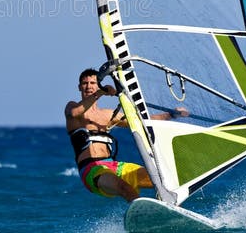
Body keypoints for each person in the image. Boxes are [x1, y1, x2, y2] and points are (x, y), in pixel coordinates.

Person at [65, 67, 188, 203]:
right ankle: (141, 217)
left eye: (93, 83)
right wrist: (100, 93)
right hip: (91, 169)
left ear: (97, 84)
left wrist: (171, 114)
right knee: (125, 188)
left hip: (113, 165)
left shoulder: (107, 115)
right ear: (79, 87)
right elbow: (74, 112)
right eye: (85, 83)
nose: (89, 86)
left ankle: (166, 209)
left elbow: (140, 121)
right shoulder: (72, 108)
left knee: (162, 179)